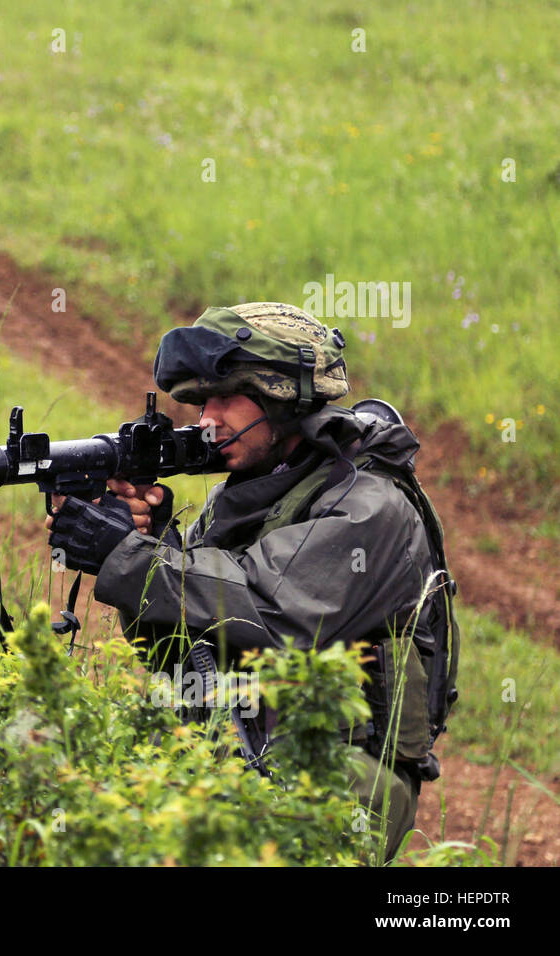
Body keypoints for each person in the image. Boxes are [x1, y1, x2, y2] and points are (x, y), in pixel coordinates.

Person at [46, 301, 455, 861]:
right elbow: (186, 655)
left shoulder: (368, 506)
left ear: (284, 399)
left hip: (336, 776)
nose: (206, 418)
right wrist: (154, 544)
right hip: (243, 751)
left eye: (228, 397)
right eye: (201, 400)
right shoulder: (251, 493)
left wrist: (130, 556)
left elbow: (269, 608)